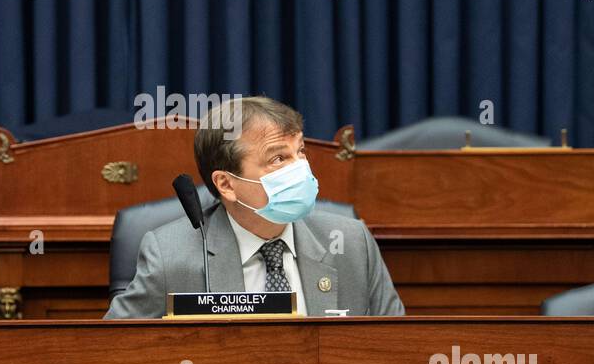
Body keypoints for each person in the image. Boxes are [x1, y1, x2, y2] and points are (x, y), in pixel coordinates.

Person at [105, 96, 405, 318]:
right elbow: (113, 353)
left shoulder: (352, 244)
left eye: (300, 151)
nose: (300, 168)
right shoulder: (170, 257)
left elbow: (396, 350)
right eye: (278, 158)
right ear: (226, 184)